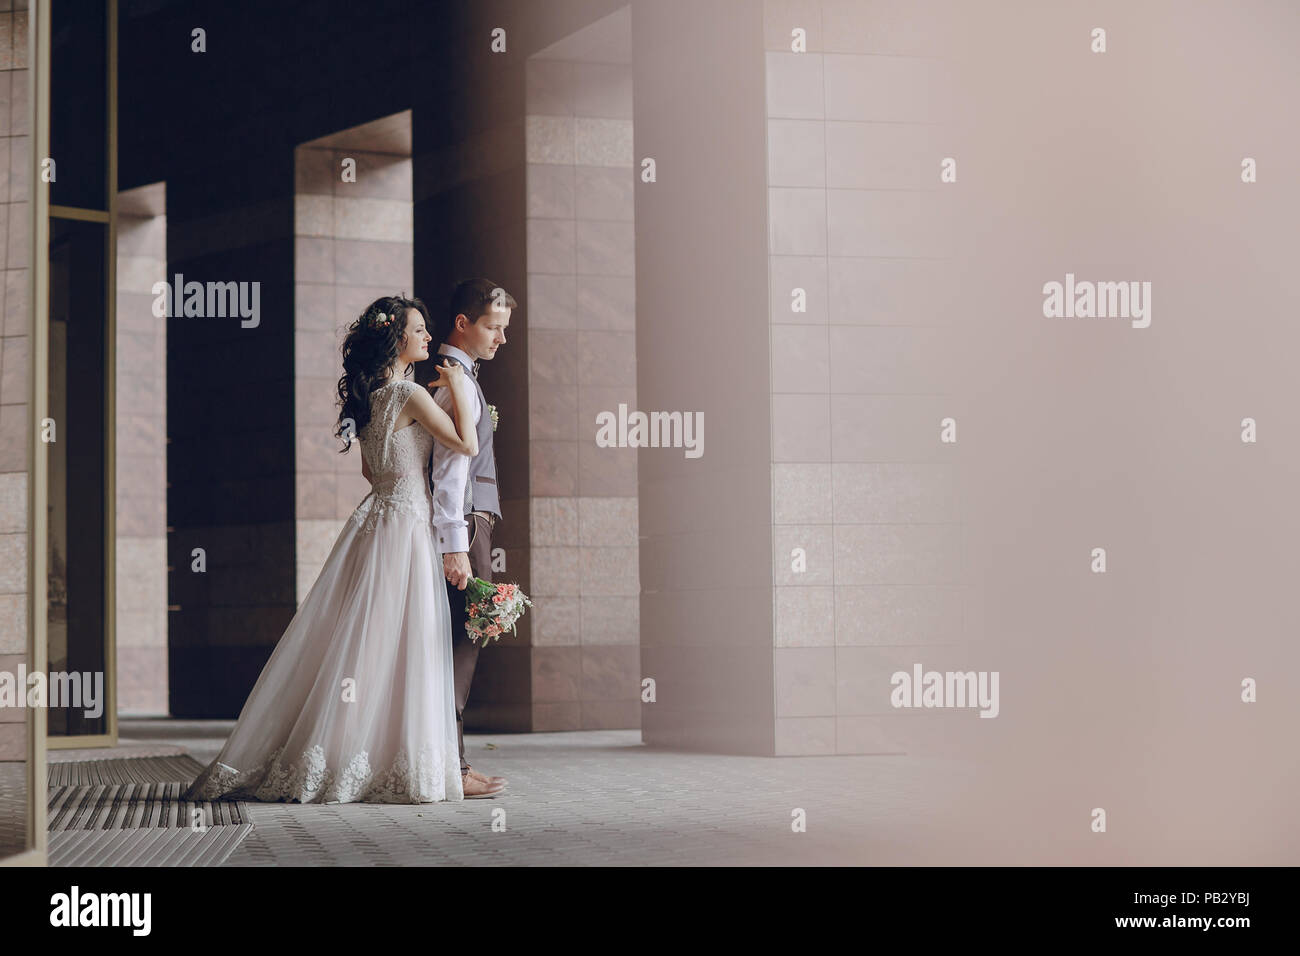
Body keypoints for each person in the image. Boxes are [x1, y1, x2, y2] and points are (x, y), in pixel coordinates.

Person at [183, 295, 478, 804]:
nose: (428, 337)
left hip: (374, 521)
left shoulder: (368, 400)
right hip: (406, 527)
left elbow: (371, 472)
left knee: (359, 639)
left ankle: (345, 751)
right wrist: (459, 387)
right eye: (419, 330)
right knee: (399, 640)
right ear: (397, 339)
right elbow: (466, 445)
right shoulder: (410, 394)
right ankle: (383, 757)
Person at [428, 278, 514, 797]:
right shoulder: (453, 378)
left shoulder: (462, 375)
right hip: (465, 520)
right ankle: (453, 769)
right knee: (462, 641)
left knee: (462, 640)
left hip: (471, 519)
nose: (501, 339)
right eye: (493, 327)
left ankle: (454, 762)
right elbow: (450, 470)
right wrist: (455, 543)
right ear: (463, 323)